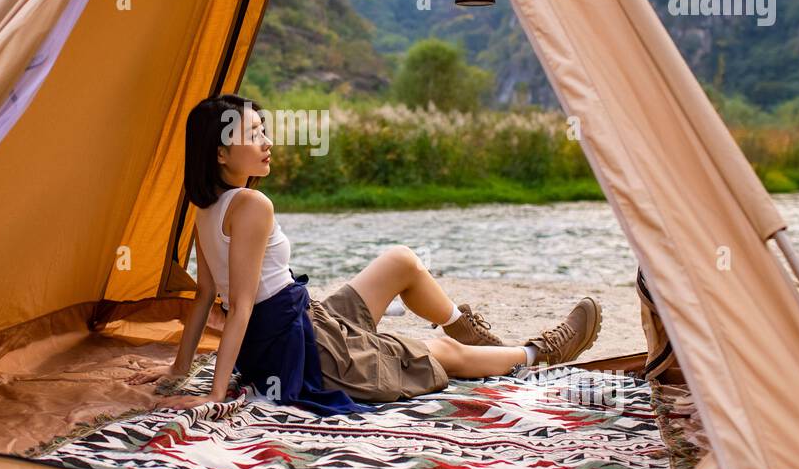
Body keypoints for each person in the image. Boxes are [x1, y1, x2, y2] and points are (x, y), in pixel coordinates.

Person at [129, 94, 601, 413]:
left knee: (400, 260)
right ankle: (538, 352)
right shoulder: (252, 205)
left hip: (304, 321)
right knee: (441, 354)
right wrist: (216, 396)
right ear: (219, 152)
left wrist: (178, 370)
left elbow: (205, 298)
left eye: (264, 129)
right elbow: (240, 308)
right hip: (307, 352)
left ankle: (482, 341)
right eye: (254, 134)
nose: (267, 142)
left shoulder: (204, 208)